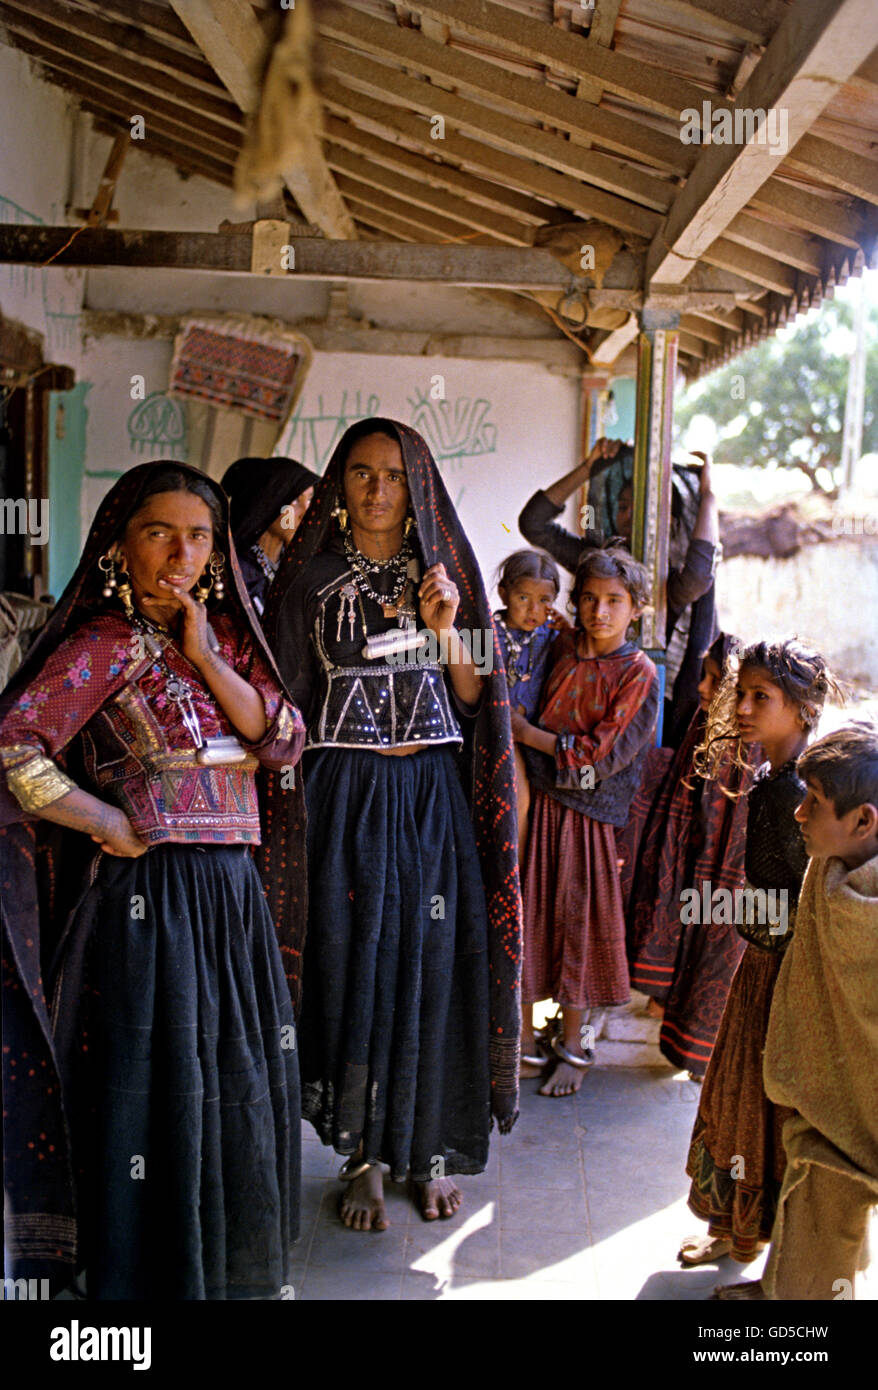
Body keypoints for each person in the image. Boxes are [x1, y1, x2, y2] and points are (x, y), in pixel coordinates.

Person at [0, 461, 306, 1300]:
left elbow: (284, 740)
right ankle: (144, 1272)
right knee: (158, 1075)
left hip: (231, 898)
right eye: (158, 533)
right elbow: (13, 744)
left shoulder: (230, 638)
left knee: (229, 1074)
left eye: (199, 536)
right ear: (119, 546)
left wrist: (203, 654)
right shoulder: (102, 643)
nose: (181, 554)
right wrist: (104, 822)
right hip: (150, 899)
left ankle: (220, 1263)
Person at [263, 418, 522, 1232]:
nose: (378, 490)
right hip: (345, 796)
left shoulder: (447, 576)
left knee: (431, 964)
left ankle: (427, 1152)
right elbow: (286, 703)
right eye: (361, 473)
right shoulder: (310, 578)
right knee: (356, 963)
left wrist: (446, 630)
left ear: (419, 486)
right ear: (340, 484)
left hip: (431, 799)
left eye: (394, 475)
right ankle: (367, 1159)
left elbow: (477, 699)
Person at [679, 638, 843, 1294]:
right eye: (739, 694)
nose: (742, 708)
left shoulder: (795, 791)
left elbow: (810, 897)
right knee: (743, 1099)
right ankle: (734, 1234)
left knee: (768, 1112)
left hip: (785, 976)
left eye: (760, 697)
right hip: (764, 966)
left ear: (802, 709)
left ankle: (776, 1268)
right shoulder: (779, 778)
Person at [511, 546, 659, 1096]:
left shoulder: (639, 672)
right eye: (590, 599)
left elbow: (598, 756)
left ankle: (574, 1048)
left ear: (636, 609)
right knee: (526, 918)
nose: (601, 611)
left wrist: (528, 735)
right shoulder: (562, 643)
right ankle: (523, 1042)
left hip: (586, 818)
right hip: (536, 803)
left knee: (578, 925)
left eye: (615, 601)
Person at [760, 721, 878, 1300]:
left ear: (864, 822)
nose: (798, 813)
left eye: (814, 802)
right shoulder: (827, 867)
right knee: (820, 1205)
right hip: (833, 1110)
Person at [518, 438, 719, 746]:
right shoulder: (595, 561)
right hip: (582, 701)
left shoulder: (665, 582)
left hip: (648, 710)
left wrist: (709, 497)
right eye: (624, 506)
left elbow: (699, 575)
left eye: (649, 509)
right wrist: (588, 468)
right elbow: (533, 523)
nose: (631, 515)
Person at [620, 634, 757, 1078]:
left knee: (714, 937)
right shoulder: (706, 720)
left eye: (715, 680)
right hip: (690, 852)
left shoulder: (748, 741)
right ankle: (665, 998)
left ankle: (700, 1046)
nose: (701, 687)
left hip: (722, 869)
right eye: (704, 675)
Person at [493, 549, 563, 875]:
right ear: (503, 593)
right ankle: (510, 876)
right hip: (496, 732)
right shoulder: (486, 633)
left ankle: (525, 877)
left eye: (544, 600)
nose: (533, 610)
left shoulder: (554, 639)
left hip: (534, 735)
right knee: (515, 800)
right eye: (523, 598)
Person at [220, 455, 319, 614]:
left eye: (309, 500)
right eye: (295, 501)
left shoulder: (295, 564)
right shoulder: (237, 571)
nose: (307, 514)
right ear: (269, 505)